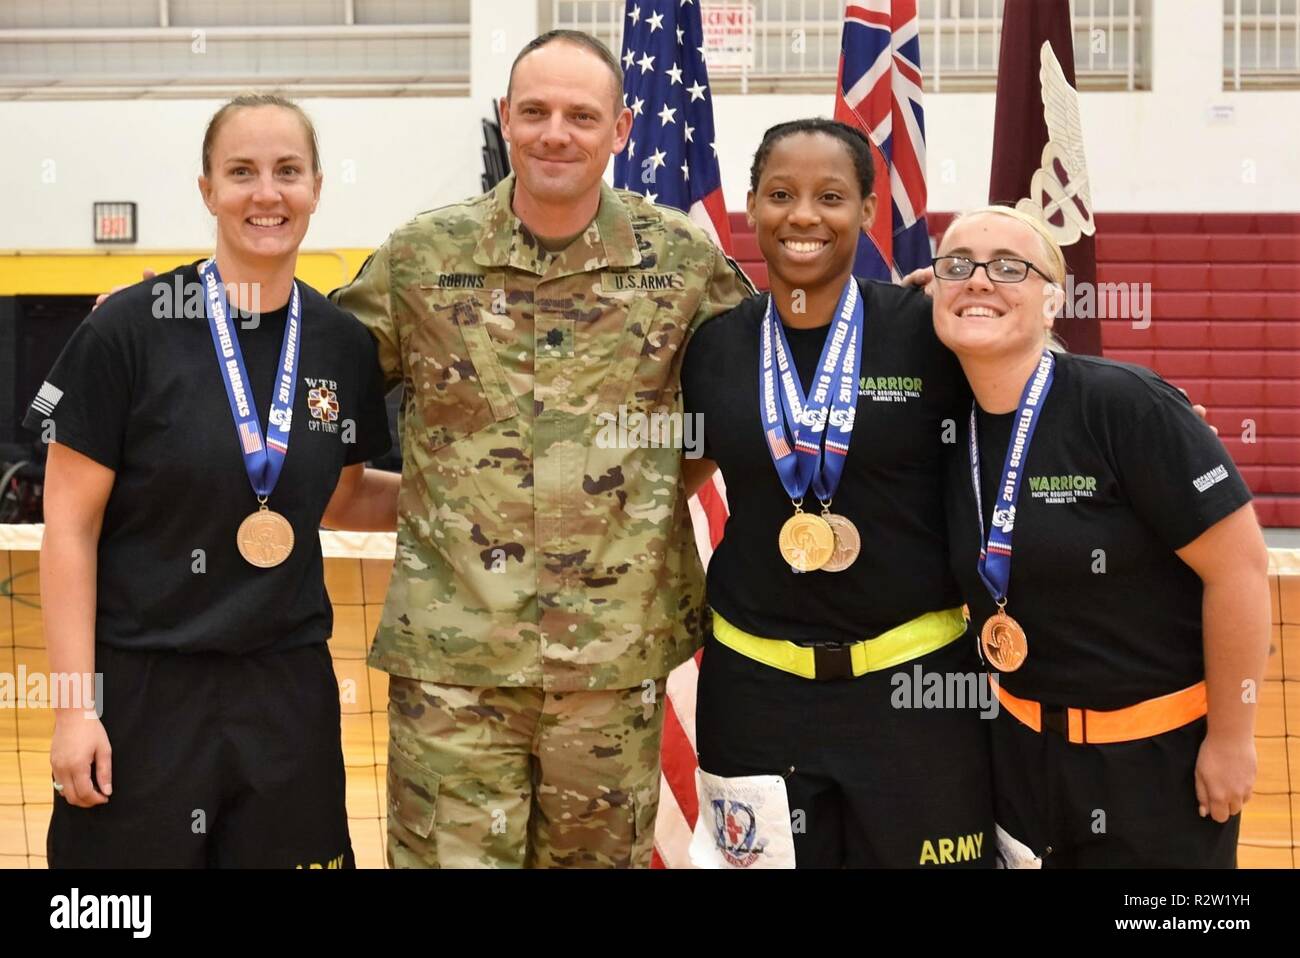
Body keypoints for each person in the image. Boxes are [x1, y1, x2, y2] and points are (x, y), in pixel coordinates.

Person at [331, 30, 753, 868]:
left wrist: (910, 320)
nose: (556, 133)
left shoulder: (681, 263)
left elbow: (754, 387)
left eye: (581, 115)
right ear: (506, 117)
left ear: (621, 129)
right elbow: (314, 375)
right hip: (454, 672)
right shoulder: (422, 258)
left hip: (611, 672)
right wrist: (174, 326)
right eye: (535, 112)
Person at [31, 93, 397, 867]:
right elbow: (67, 528)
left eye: (288, 171)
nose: (267, 193)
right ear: (207, 190)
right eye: (241, 172)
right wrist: (73, 711)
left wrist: (468, 497)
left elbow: (341, 497)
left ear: (317, 187)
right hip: (142, 696)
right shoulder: (126, 329)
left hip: (287, 697)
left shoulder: (341, 344)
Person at [680, 119, 995, 868]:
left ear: (868, 210)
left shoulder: (930, 334)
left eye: (830, 196)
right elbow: (665, 479)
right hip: (755, 697)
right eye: (780, 194)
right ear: (751, 206)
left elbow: (1033, 410)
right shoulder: (714, 348)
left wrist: (1151, 419)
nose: (803, 216)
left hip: (918, 693)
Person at [932, 205, 1270, 867]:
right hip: (1019, 761)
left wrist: (1233, 740)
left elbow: (1240, 570)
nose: (979, 279)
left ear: (1053, 301)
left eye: (1010, 268)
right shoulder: (943, 425)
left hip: (1157, 769)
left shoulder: (1126, 405)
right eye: (958, 265)